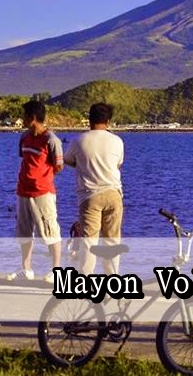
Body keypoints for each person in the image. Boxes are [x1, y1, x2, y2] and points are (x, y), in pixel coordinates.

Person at [64, 103, 125, 275]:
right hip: (114, 194)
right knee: (112, 241)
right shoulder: (117, 141)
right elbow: (118, 163)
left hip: (89, 196)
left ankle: (85, 279)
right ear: (108, 121)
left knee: (89, 241)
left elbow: (68, 160)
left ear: (89, 119)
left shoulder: (78, 141)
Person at [8, 100, 63, 283]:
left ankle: (56, 270)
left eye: (24, 116)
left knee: (50, 230)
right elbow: (25, 160)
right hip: (23, 191)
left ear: (32, 118)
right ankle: (27, 269)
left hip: (43, 193)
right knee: (23, 231)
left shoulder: (51, 140)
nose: (21, 119)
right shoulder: (24, 137)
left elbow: (59, 166)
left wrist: (42, 178)